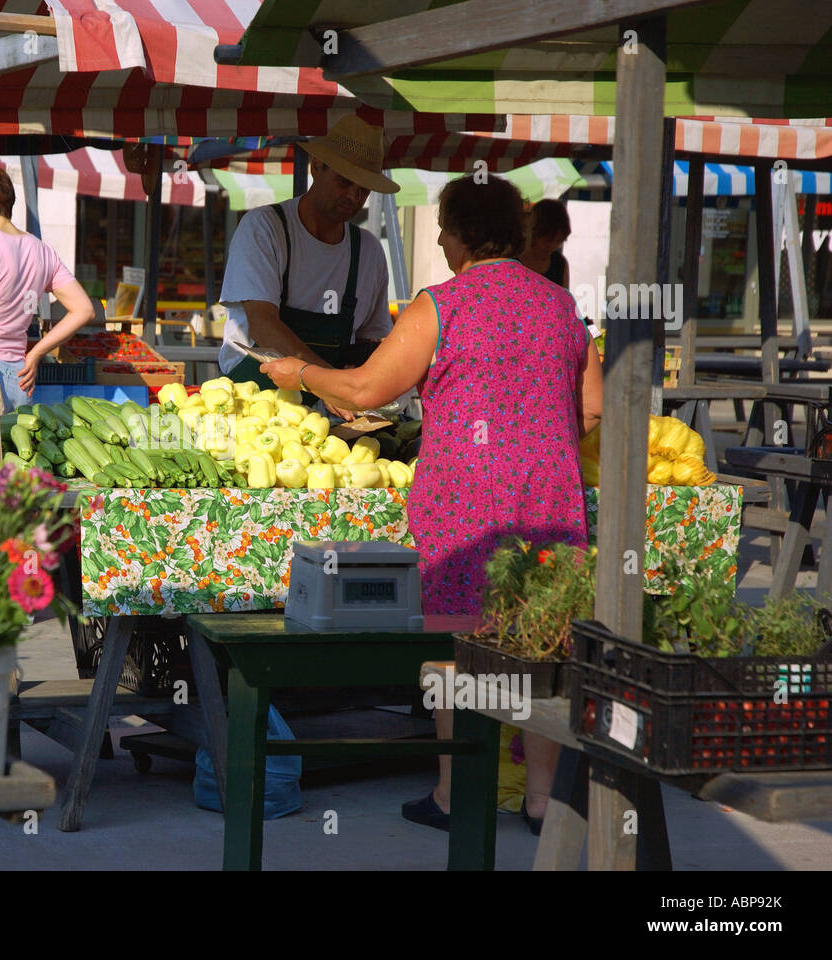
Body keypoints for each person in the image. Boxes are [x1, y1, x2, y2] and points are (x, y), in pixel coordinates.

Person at [259, 174, 602, 834]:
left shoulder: (438, 305)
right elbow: (592, 404)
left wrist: (297, 372)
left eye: (443, 228)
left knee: (456, 640)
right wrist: (535, 436)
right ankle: (541, 801)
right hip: (551, 493)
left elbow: (363, 389)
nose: (439, 239)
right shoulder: (560, 306)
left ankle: (455, 790)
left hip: (463, 498)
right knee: (544, 642)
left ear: (465, 233)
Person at [218, 116, 397, 416]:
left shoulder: (369, 251)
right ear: (316, 167)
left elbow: (370, 338)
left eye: (364, 188)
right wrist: (333, 384)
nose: (354, 196)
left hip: (336, 419)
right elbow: (263, 324)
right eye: (344, 181)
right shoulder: (264, 228)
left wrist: (363, 371)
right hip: (254, 407)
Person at [0, 165, 96, 412]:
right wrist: (36, 353)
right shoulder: (42, 251)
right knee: (16, 450)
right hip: (20, 375)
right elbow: (84, 309)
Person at [521, 198, 571, 288]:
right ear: (534, 233)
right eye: (547, 241)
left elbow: (564, 300)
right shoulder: (513, 259)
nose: (552, 246)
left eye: (558, 241)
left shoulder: (559, 264)